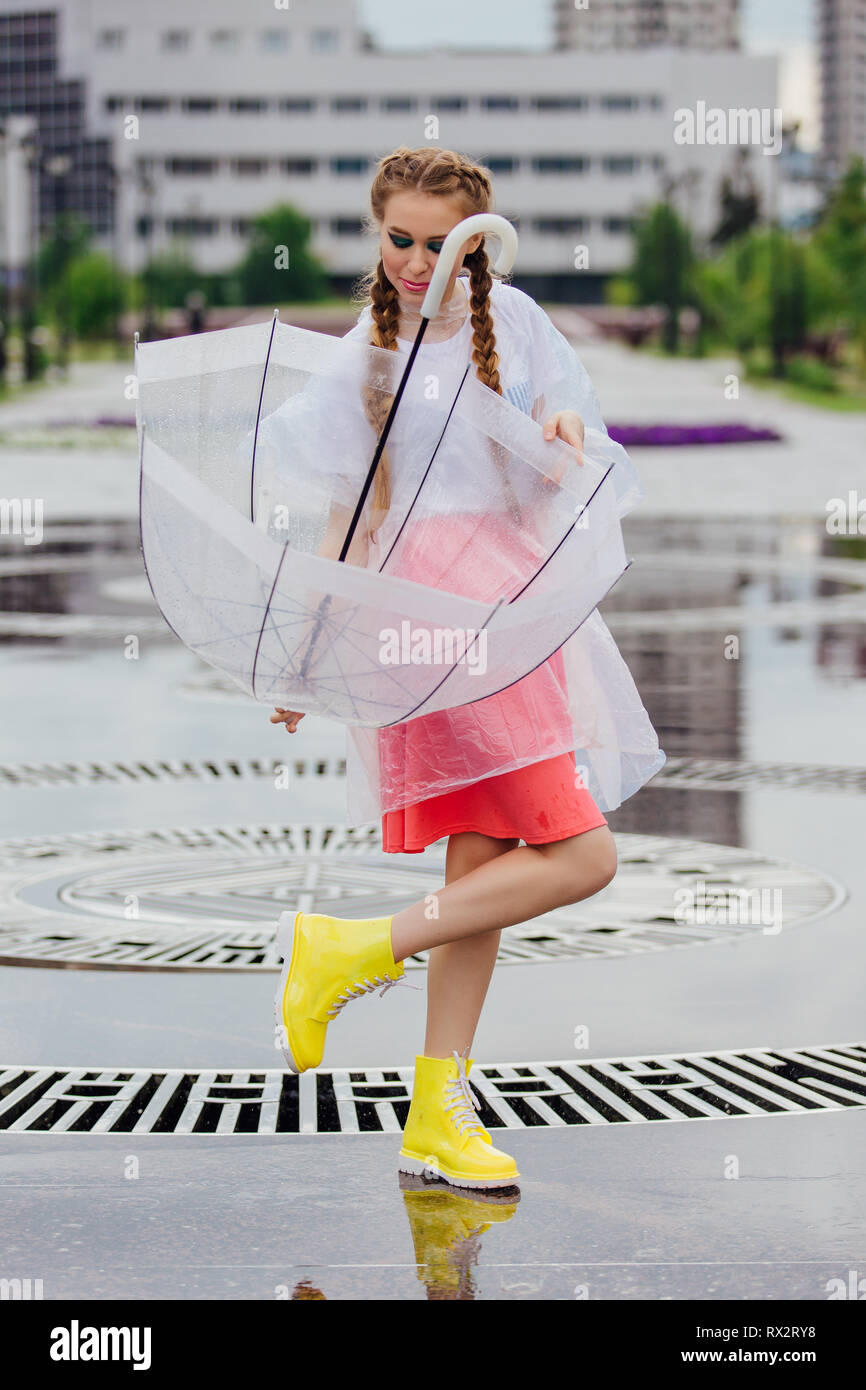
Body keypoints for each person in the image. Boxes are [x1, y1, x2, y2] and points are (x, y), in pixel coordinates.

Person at [270, 147, 663, 1190]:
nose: (413, 260)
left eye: (437, 243)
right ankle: (351, 950)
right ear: (376, 233)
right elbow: (341, 523)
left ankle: (433, 1112)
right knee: (584, 857)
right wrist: (303, 659)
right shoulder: (369, 351)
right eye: (396, 237)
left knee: (482, 877)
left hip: (512, 612)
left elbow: (559, 431)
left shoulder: (518, 322)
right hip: (424, 626)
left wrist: (563, 426)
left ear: (475, 243)